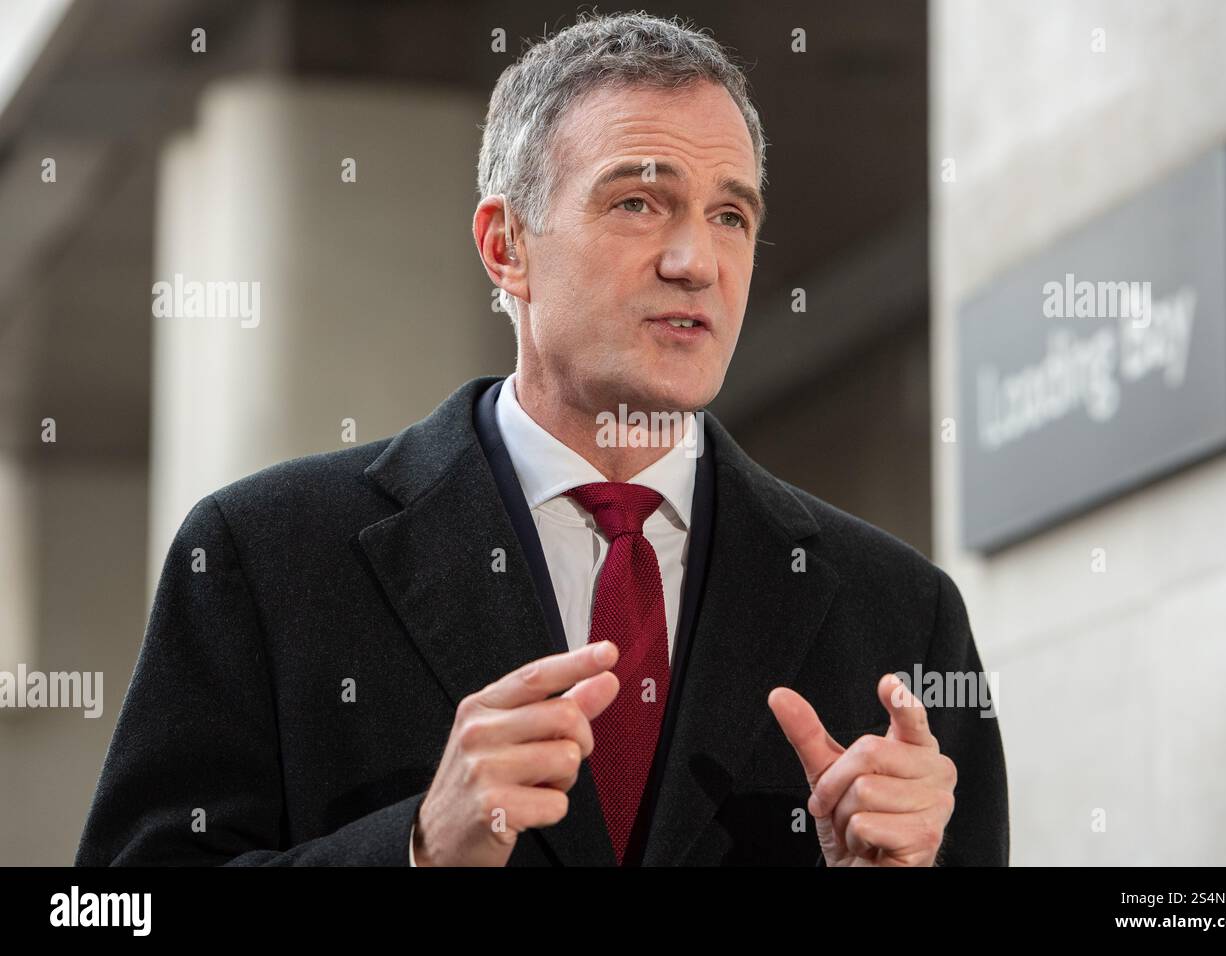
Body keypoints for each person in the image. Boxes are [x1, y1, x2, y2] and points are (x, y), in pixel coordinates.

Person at [76, 11, 1008, 868]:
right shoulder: (263, 553)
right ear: (506, 246)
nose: (696, 262)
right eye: (639, 202)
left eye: (731, 215)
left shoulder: (901, 610)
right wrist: (417, 849)